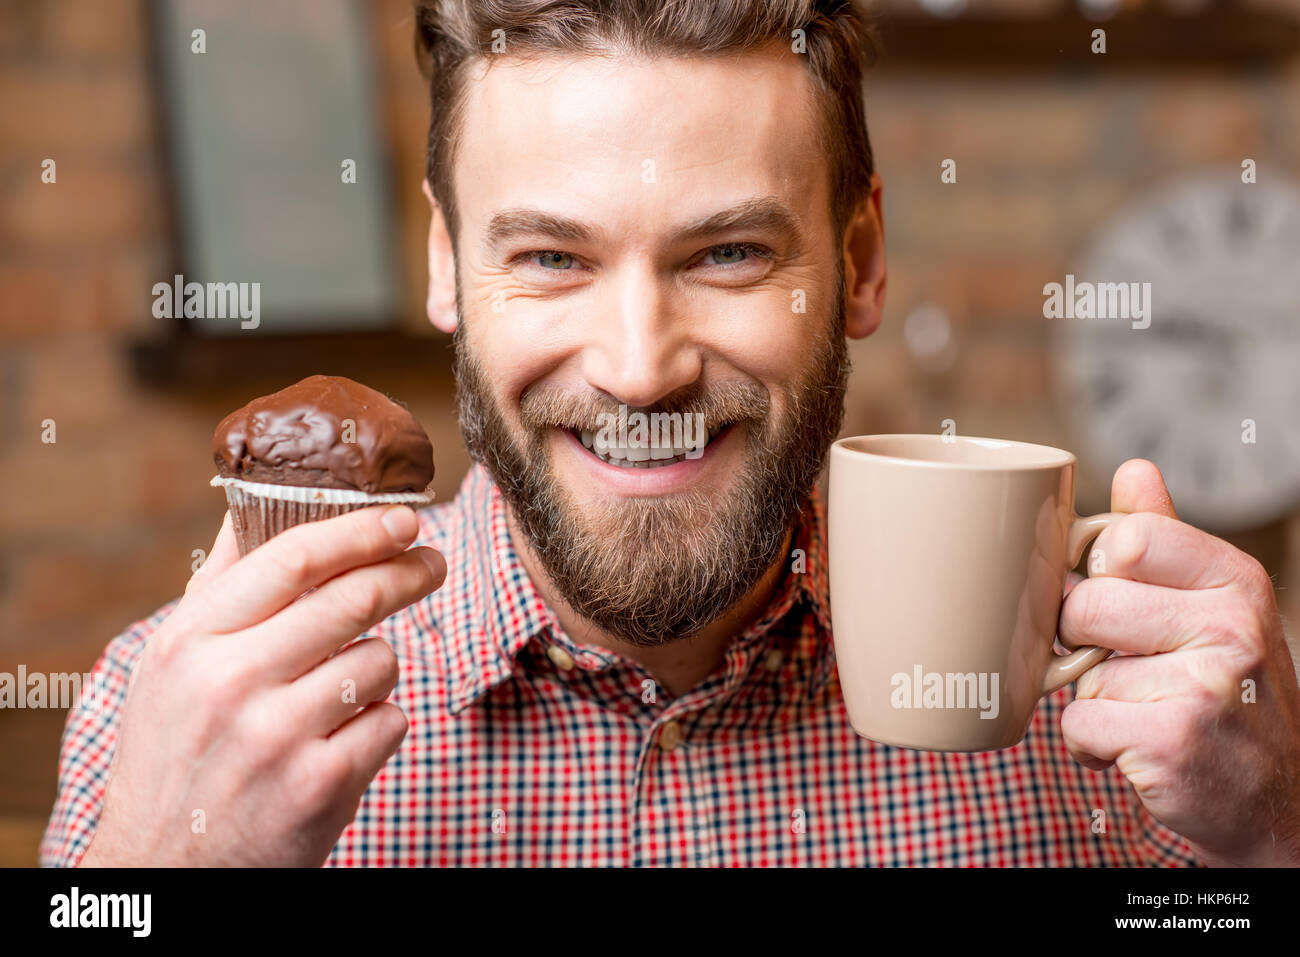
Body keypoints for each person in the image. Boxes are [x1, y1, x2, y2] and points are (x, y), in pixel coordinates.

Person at [43, 0, 1300, 867]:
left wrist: (1276, 835)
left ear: (858, 260)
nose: (639, 369)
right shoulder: (173, 712)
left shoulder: (1129, 729)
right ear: (446, 264)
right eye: (550, 257)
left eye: (731, 253)